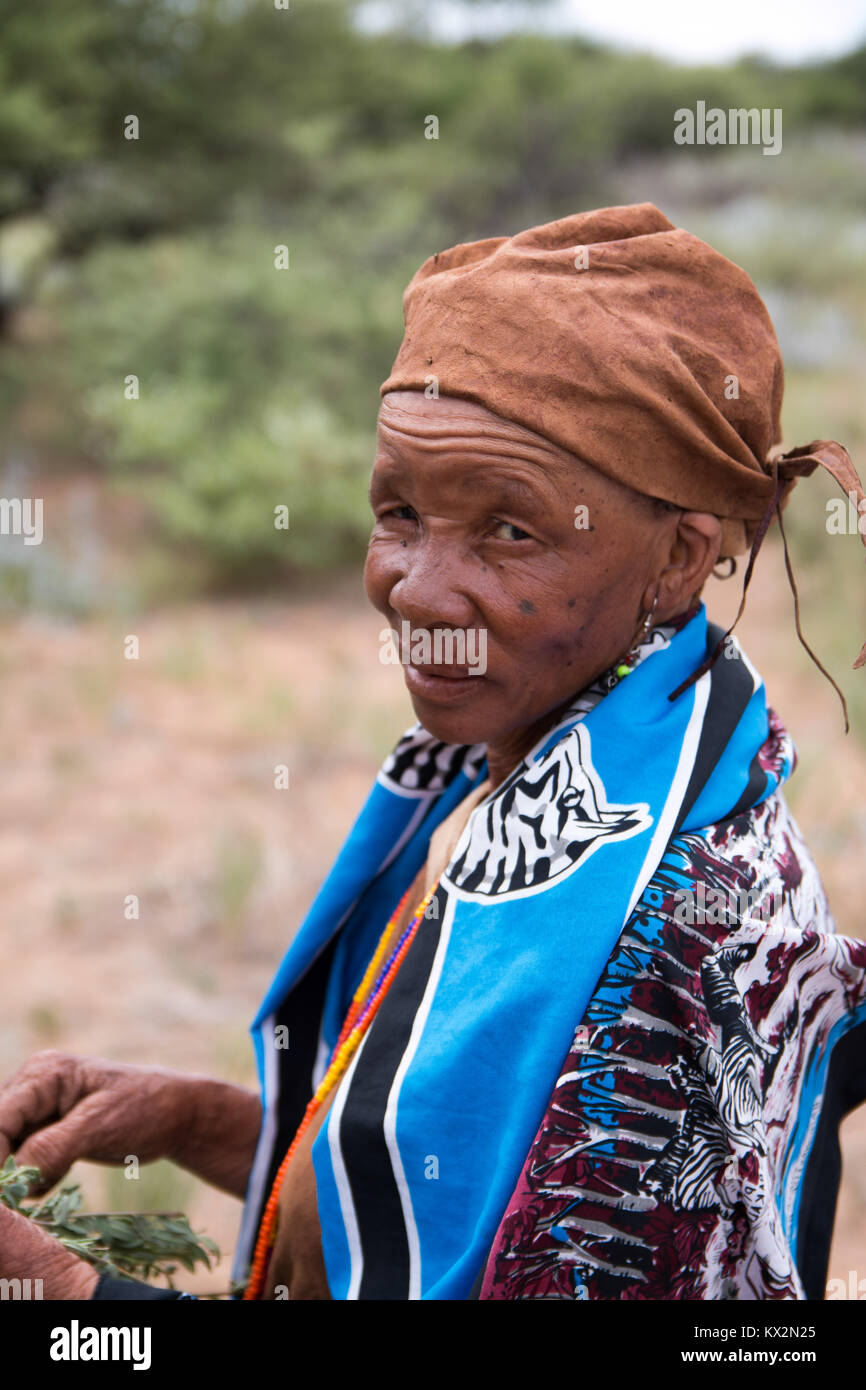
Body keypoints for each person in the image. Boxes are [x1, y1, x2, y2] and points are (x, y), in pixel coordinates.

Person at [2, 203, 866, 1302]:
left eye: (509, 529)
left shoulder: (675, 930)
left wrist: (68, 1299)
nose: (414, 587)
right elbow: (453, 1202)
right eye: (398, 510)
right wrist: (194, 1119)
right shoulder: (553, 783)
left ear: (678, 558)